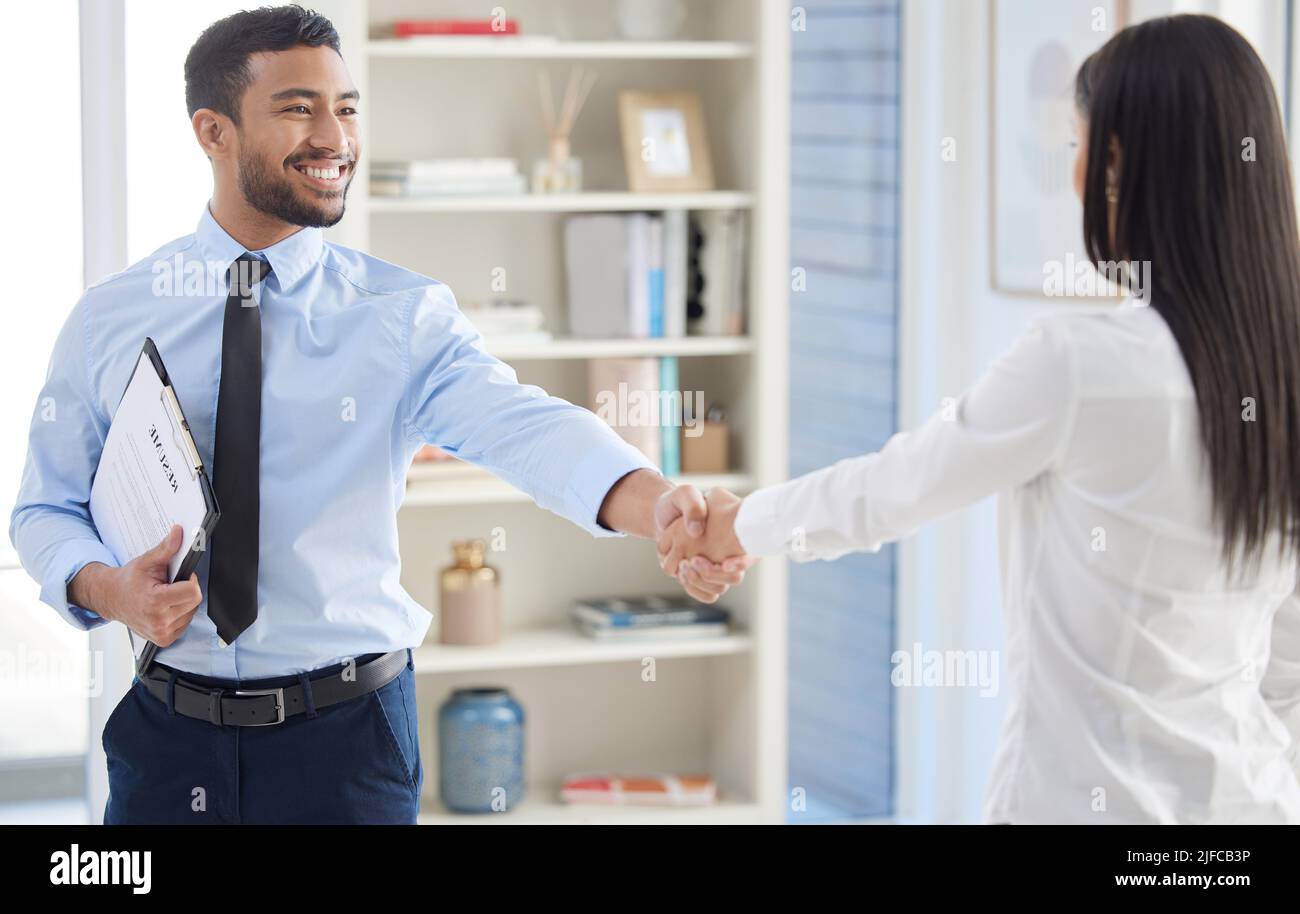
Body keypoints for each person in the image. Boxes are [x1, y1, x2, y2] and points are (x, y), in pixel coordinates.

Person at [9, 4, 742, 825]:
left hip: (348, 748)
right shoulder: (112, 316)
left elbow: (527, 428)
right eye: (298, 108)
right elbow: (44, 508)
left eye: (347, 108)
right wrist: (109, 589)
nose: (335, 138)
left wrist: (659, 502)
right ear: (212, 132)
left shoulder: (400, 314)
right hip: (166, 740)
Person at [662, 14, 1300, 824]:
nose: (1071, 179)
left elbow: (896, 489)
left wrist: (736, 525)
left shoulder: (1080, 363)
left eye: (1078, 149)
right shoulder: (1281, 377)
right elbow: (1288, 666)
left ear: (1118, 166)